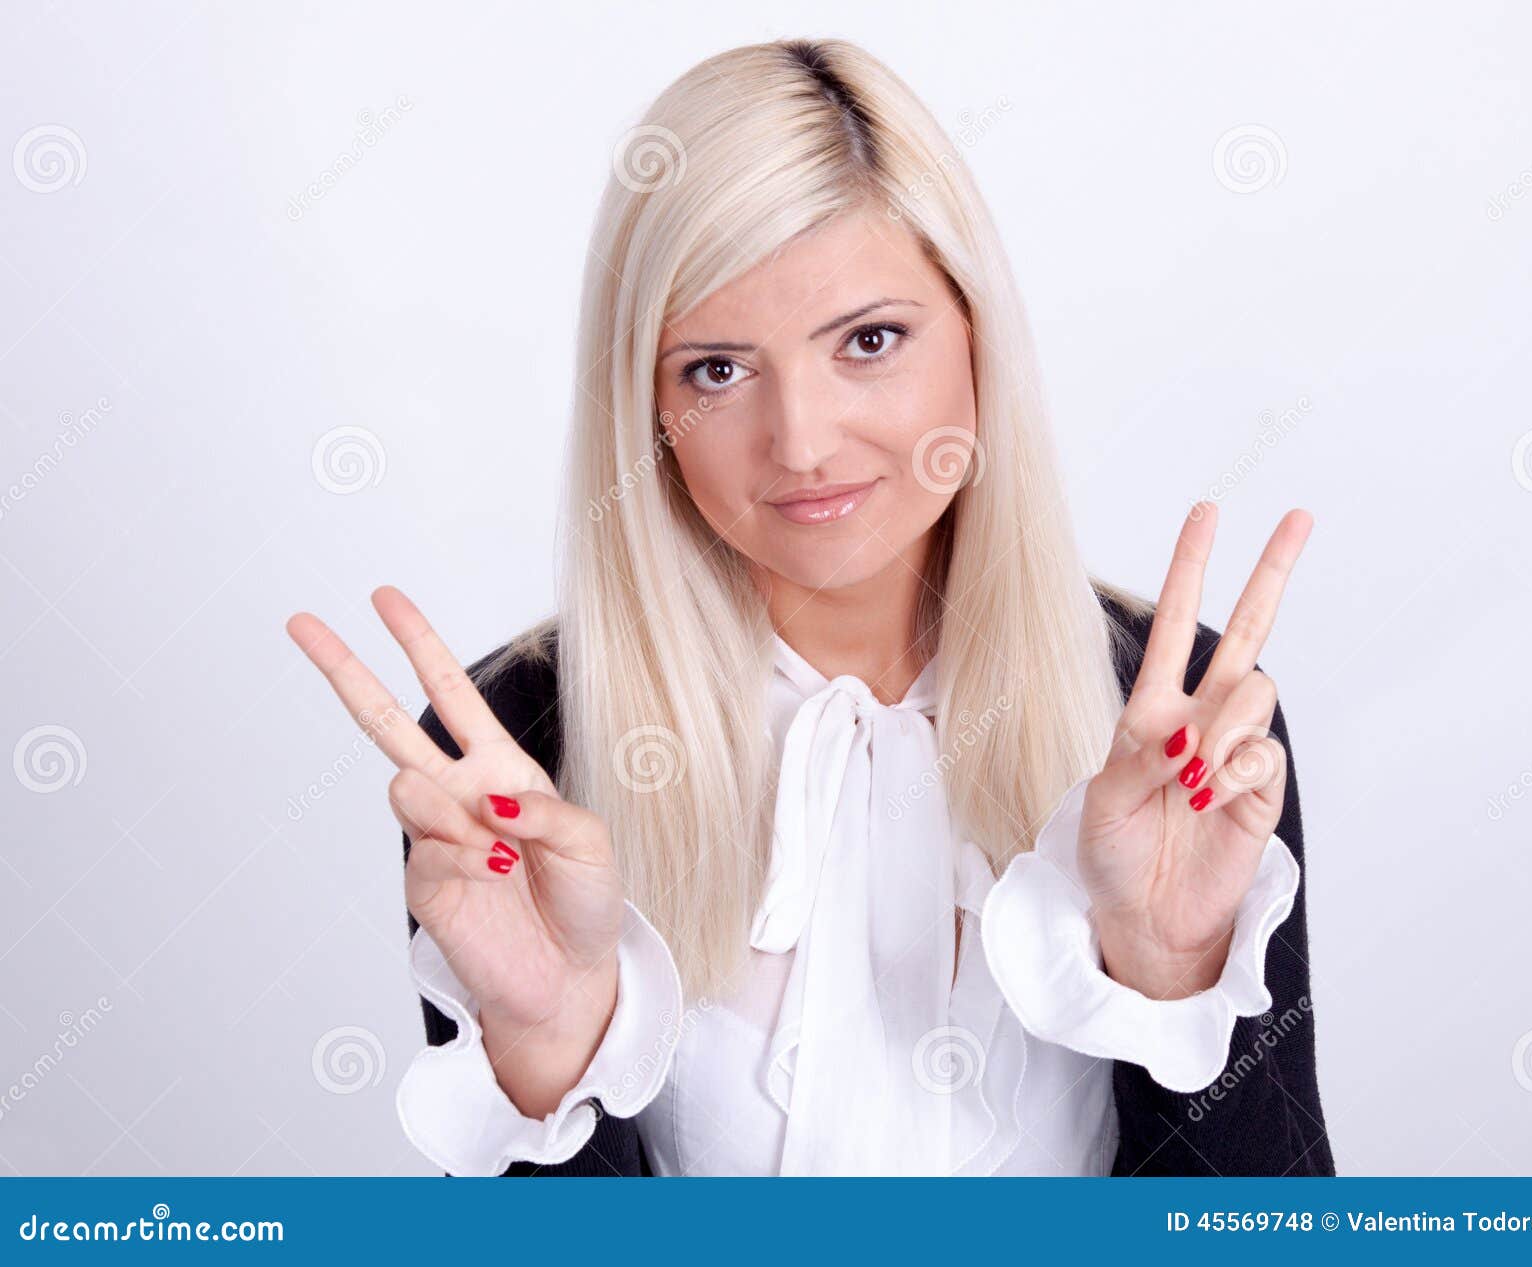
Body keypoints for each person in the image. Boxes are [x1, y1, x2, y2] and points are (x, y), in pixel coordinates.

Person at [286, 37, 1333, 1177]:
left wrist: (1176, 972)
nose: (801, 441)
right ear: (643, 398)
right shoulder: (519, 743)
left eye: (869, 342)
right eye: (717, 371)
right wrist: (545, 1049)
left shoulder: (1168, 712)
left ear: (975, 340)